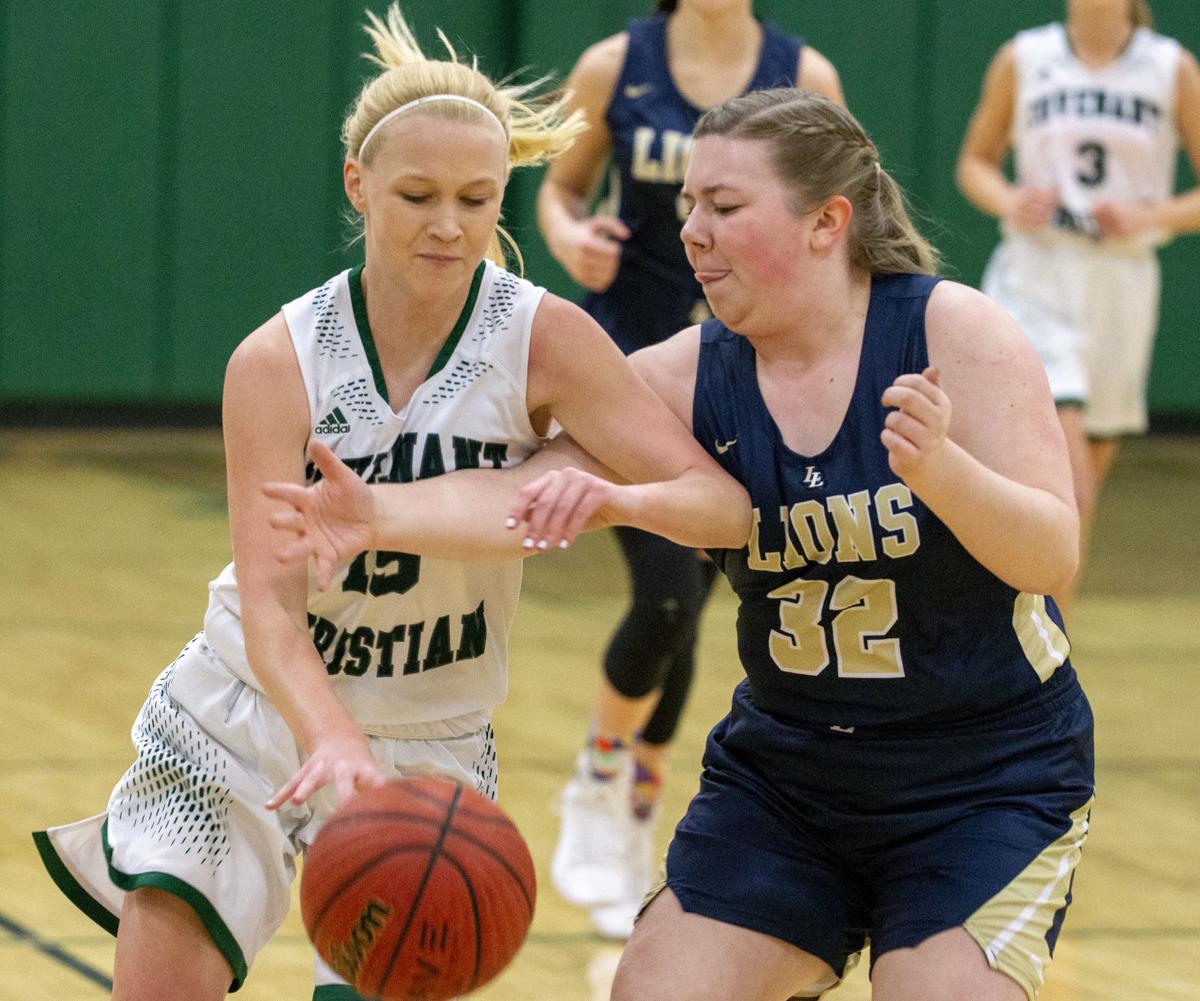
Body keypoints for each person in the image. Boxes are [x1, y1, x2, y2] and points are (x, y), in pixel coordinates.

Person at [275, 89, 1095, 1000]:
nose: (693, 233)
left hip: (982, 776)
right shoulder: (684, 371)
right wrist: (379, 514)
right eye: (689, 208)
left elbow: (1051, 557)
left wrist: (944, 472)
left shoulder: (951, 331)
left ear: (828, 221)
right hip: (791, 777)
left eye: (726, 208)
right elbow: (524, 489)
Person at [30, 6, 750, 1000]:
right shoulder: (278, 361)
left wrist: (610, 496)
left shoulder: (545, 339)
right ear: (357, 185)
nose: (450, 224)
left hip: (432, 733)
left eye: (477, 197)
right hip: (247, 712)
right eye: (417, 194)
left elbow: (723, 508)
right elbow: (275, 615)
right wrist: (329, 739)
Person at [536, 0, 844, 938]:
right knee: (668, 593)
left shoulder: (808, 78)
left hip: (746, 372)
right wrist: (567, 234)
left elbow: (845, 219)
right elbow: (560, 190)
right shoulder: (613, 64)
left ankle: (636, 800)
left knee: (707, 601)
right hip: (635, 365)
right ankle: (597, 774)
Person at [956, 0, 1200, 616]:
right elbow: (974, 164)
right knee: (1070, 491)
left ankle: (1035, 635)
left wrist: (1151, 216)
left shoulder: (1169, 67)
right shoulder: (1025, 56)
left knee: (1078, 481)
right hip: (1036, 278)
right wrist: (1012, 199)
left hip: (1120, 285)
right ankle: (1045, 668)